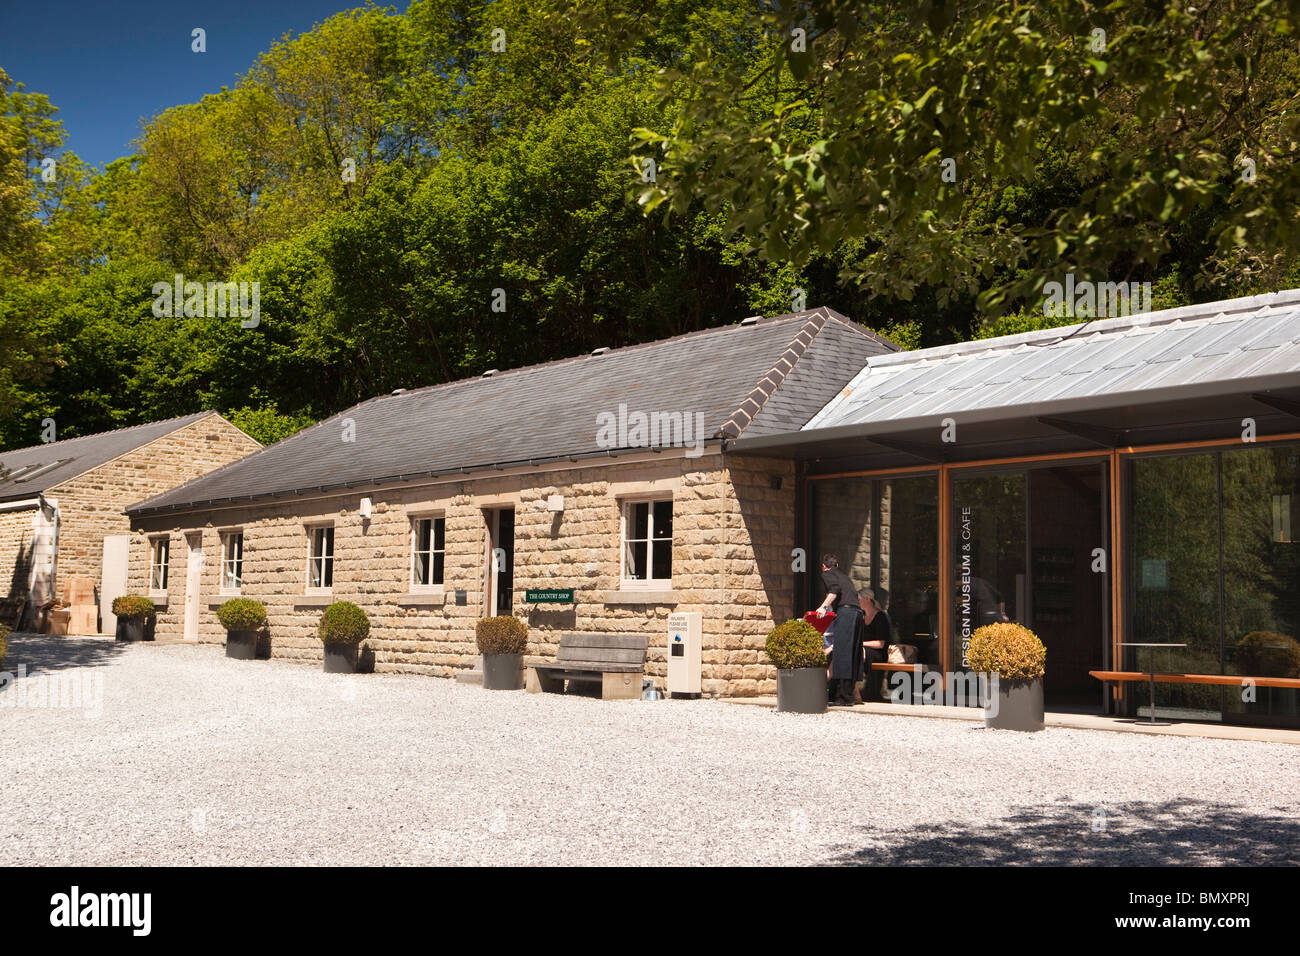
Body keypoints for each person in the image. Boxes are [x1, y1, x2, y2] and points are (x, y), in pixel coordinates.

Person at [813, 554, 863, 705]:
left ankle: (841, 698)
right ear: (837, 564)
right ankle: (848, 696)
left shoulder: (827, 573)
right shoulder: (844, 576)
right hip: (858, 613)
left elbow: (834, 589)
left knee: (841, 653)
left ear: (824, 566)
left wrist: (823, 607)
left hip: (846, 613)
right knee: (853, 653)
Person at [860, 589, 893, 702]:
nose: (857, 602)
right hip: (866, 651)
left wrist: (860, 644)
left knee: (859, 651)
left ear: (867, 599)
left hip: (878, 653)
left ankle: (855, 687)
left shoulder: (880, 617)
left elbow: (880, 644)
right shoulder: (862, 616)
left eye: (859, 599)